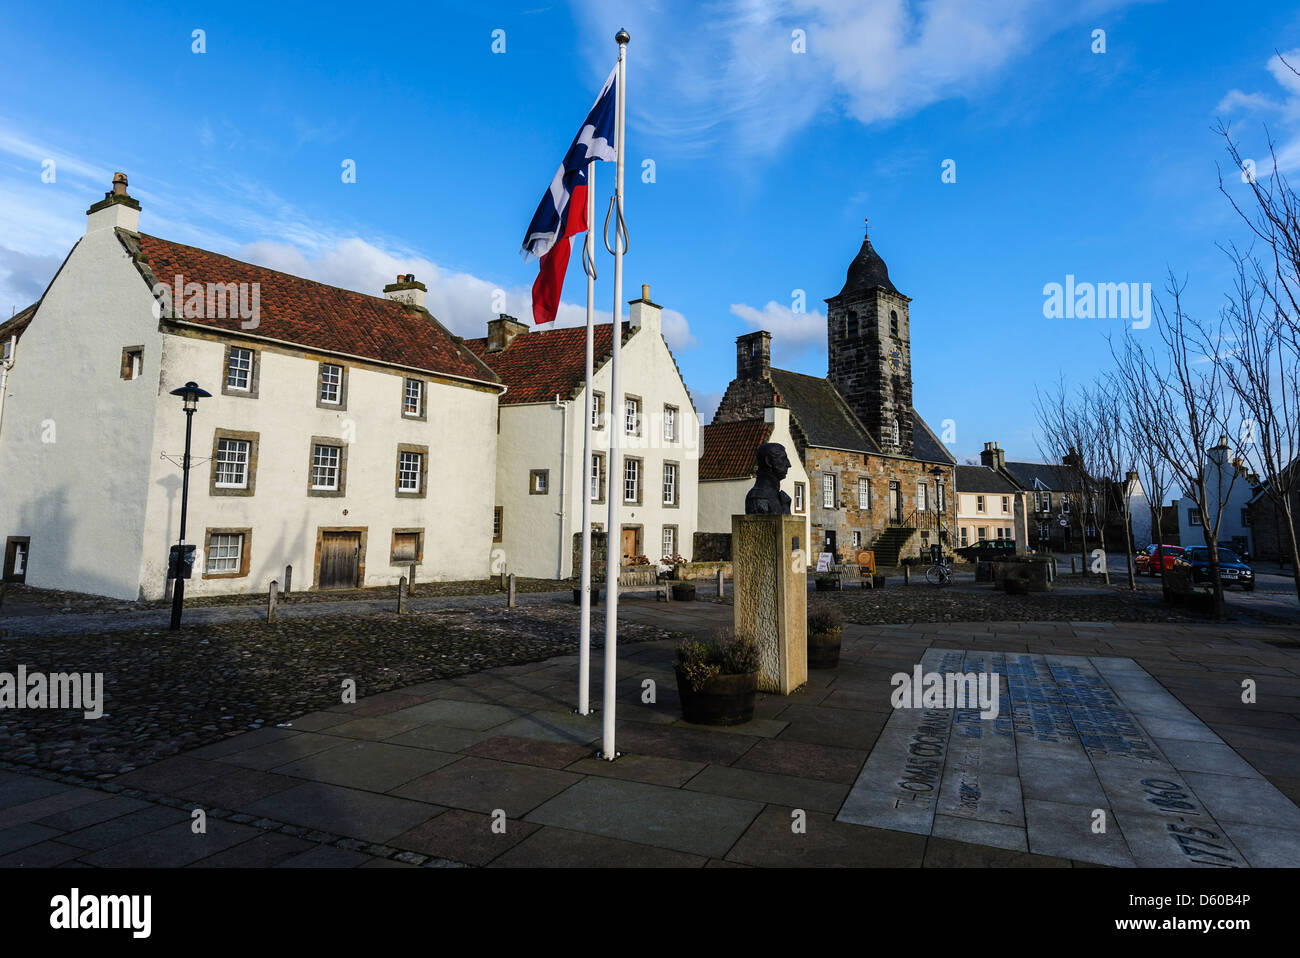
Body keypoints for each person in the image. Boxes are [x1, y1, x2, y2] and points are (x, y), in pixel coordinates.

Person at [745, 443, 792, 515]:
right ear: (769, 461)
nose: (789, 464)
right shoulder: (760, 499)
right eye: (783, 459)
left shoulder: (780, 498)